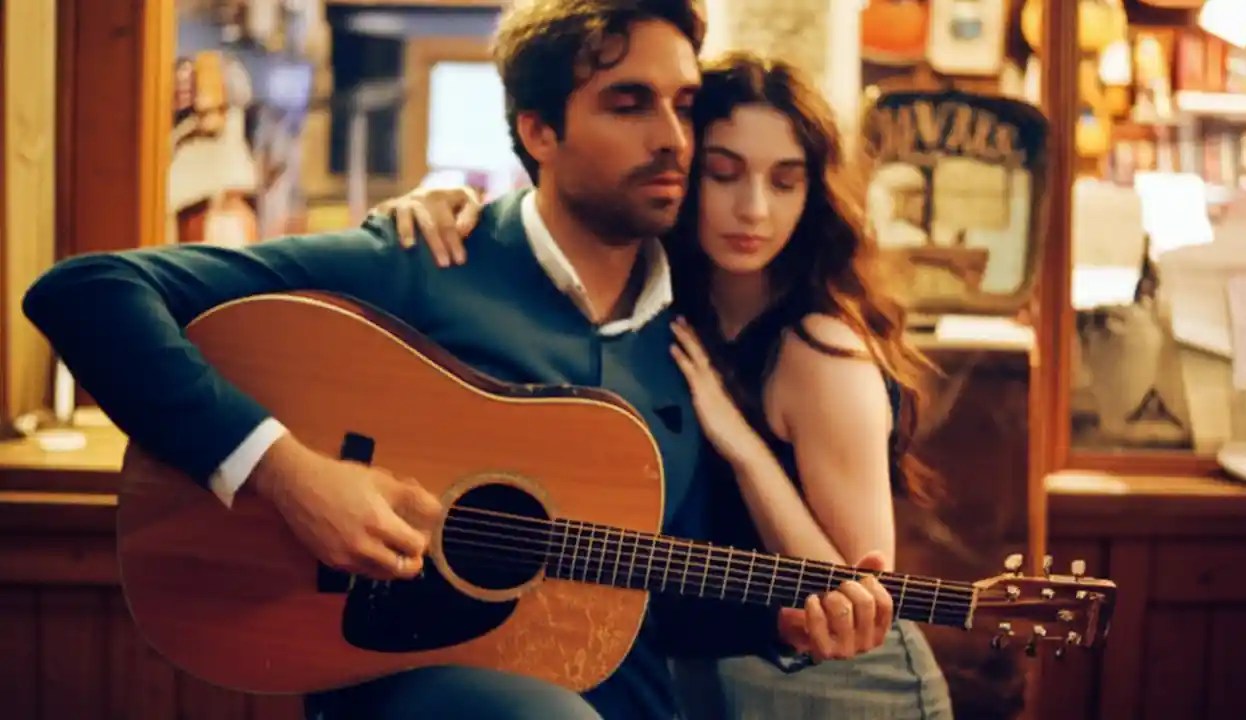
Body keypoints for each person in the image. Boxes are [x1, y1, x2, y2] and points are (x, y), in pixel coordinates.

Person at [22, 3, 893, 720]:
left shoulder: (696, 332)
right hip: (412, 687)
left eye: (684, 104)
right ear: (538, 130)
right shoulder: (425, 257)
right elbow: (87, 293)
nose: (673, 138)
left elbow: (652, 596)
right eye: (629, 104)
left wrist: (789, 622)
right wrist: (288, 475)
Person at [377, 52, 954, 719]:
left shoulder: (821, 351)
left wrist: (742, 447)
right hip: (716, 675)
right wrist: (438, 207)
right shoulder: (661, 303)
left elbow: (853, 596)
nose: (754, 209)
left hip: (850, 689)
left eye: (785, 181)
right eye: (724, 173)